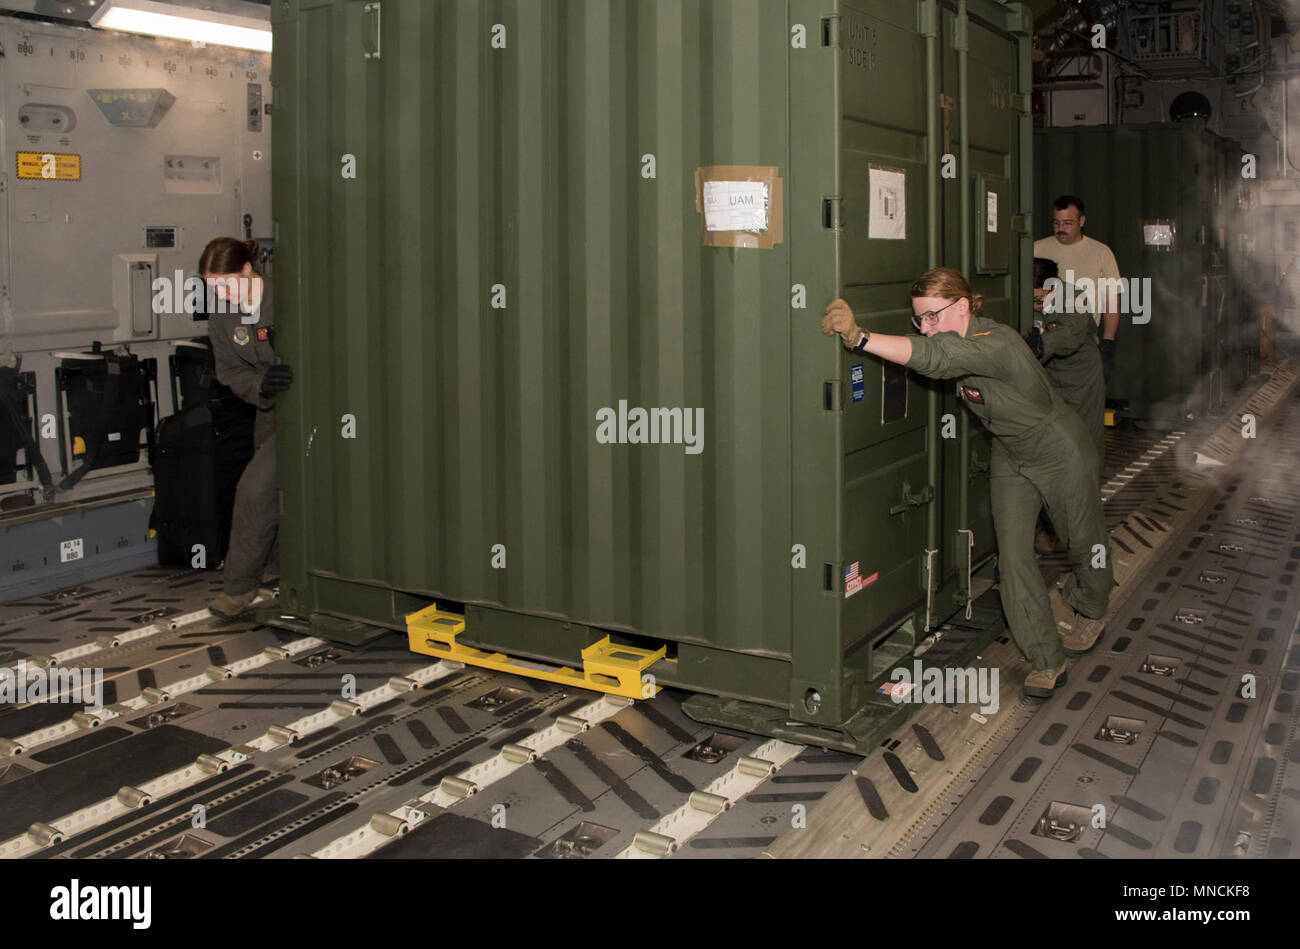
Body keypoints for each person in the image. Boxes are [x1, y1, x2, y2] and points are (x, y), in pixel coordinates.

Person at [821, 268, 1112, 698]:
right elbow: (934, 351)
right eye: (919, 320)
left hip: (1058, 451)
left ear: (961, 307)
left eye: (933, 317)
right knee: (1013, 559)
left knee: (1084, 541)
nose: (926, 329)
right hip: (1010, 453)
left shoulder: (996, 345)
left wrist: (860, 338)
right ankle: (1046, 659)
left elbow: (936, 360)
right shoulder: (952, 337)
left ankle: (1093, 601)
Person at [200, 237, 292, 619]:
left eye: (225, 284)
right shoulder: (223, 316)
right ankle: (279, 575)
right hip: (270, 412)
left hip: (308, 408)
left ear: (247, 270)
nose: (220, 294)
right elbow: (230, 371)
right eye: (212, 287)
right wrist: (260, 387)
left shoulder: (288, 296)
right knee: (273, 497)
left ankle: (238, 590)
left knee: (254, 491)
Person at [1033, 196, 1121, 376]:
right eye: (1056, 223)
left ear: (1081, 221)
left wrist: (1108, 341)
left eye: (1067, 223)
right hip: (1043, 342)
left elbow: (1112, 299)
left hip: (1083, 342)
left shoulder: (1101, 253)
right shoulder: (1036, 249)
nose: (1061, 229)